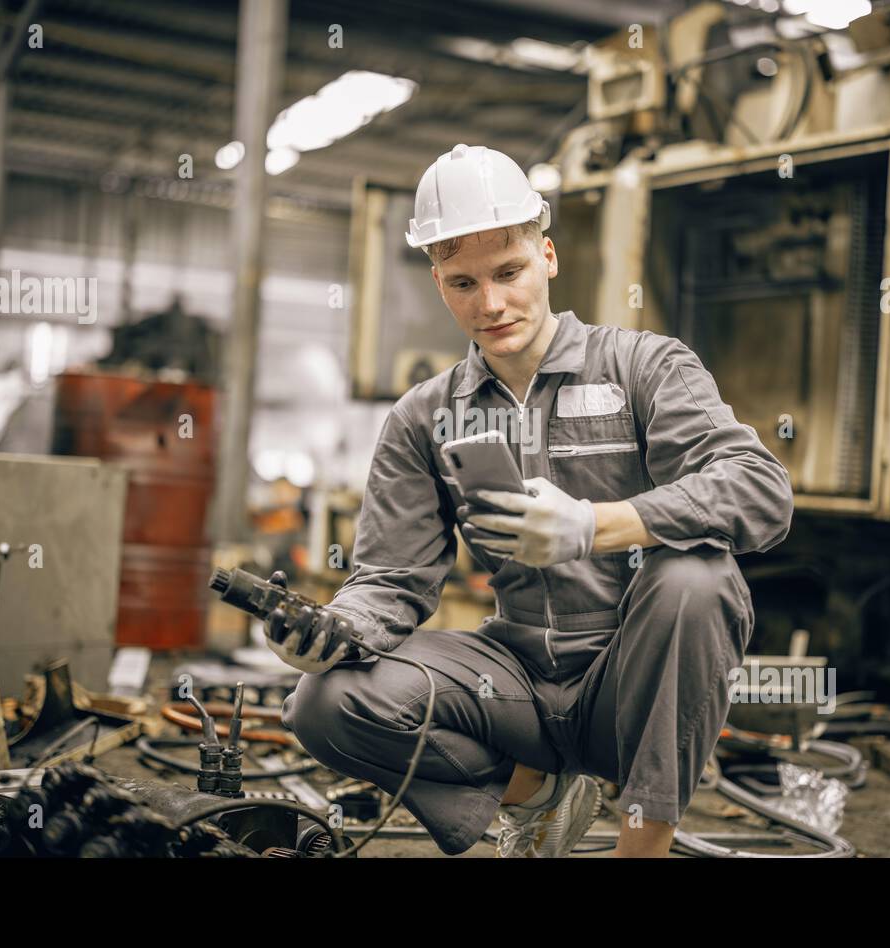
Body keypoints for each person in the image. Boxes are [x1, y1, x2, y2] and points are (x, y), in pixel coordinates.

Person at [276, 143, 794, 857]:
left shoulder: (644, 367)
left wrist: (597, 525)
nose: (489, 304)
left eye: (509, 272)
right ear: (436, 282)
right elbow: (390, 583)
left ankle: (641, 847)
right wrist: (330, 629)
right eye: (462, 283)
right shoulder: (424, 416)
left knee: (696, 578)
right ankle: (538, 789)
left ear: (547, 256)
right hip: (513, 680)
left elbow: (759, 491)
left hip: (630, 682)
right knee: (323, 704)